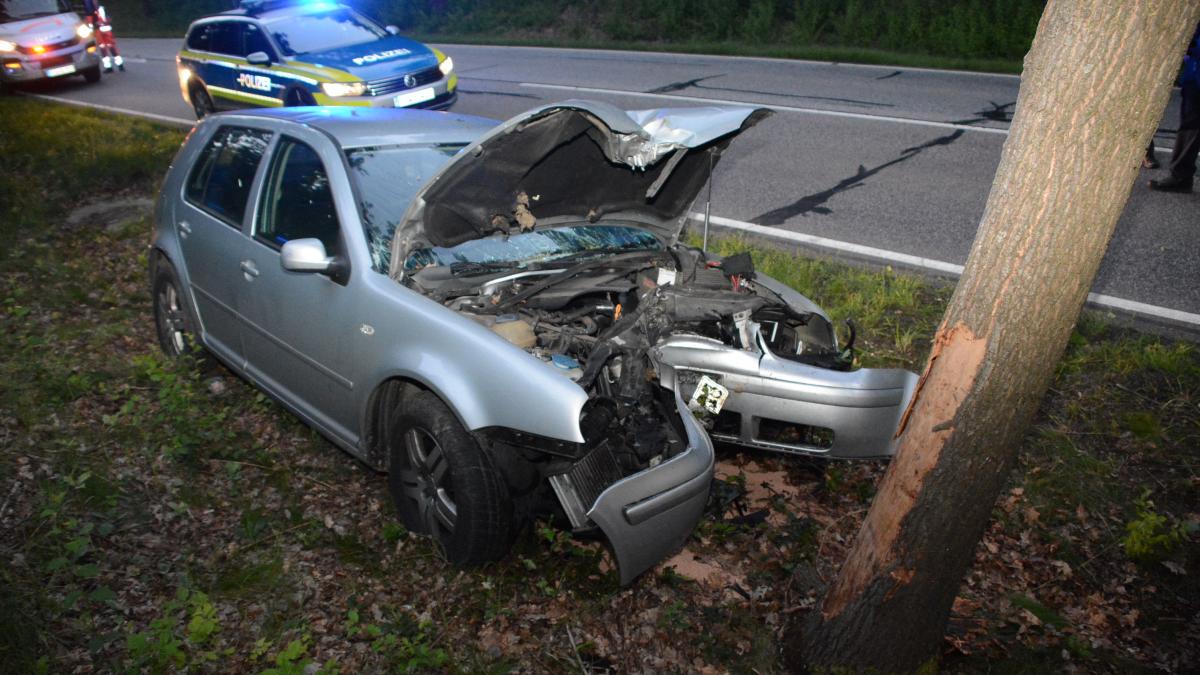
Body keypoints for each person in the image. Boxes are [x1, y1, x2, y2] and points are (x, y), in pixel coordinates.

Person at [1149, 24, 1200, 193]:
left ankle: (1180, 176)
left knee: (1190, 126)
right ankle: (1180, 176)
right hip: (1195, 76)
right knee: (1189, 127)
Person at [82, 0, 124, 73]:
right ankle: (113, 66)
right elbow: (107, 19)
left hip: (102, 30)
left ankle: (117, 66)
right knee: (105, 48)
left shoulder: (96, 9)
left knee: (108, 47)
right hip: (101, 31)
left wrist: (96, 24)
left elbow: (106, 19)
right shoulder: (96, 9)